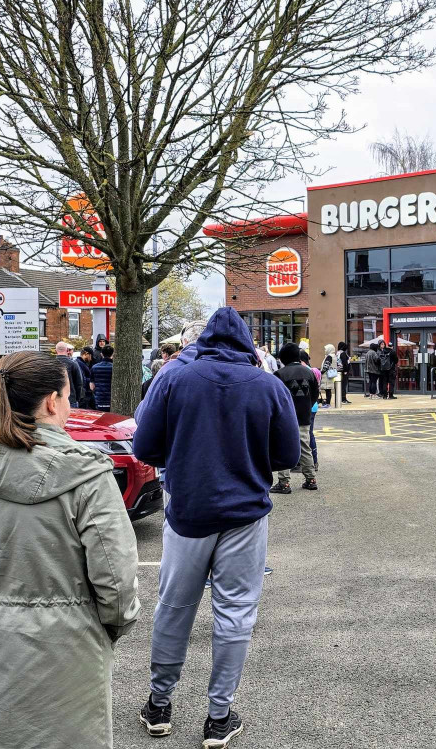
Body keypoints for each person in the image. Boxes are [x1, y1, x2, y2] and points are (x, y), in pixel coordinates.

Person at [0, 351, 140, 749]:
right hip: (61, 650)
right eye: (67, 396)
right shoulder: (86, 475)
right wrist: (106, 627)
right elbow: (116, 584)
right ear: (51, 401)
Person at [133, 308, 300, 746]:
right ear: (245, 340)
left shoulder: (172, 378)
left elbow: (145, 446)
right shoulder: (269, 385)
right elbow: (286, 457)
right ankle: (219, 717)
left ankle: (159, 705)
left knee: (174, 607)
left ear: (203, 338)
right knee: (236, 614)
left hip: (188, 511)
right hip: (245, 514)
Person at [271, 342, 319, 493]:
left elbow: (276, 397)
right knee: (305, 447)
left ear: (283, 357)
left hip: (285, 417)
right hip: (304, 416)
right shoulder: (309, 372)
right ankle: (310, 479)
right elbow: (315, 394)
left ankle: (284, 483)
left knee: (283, 447)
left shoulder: (280, 374)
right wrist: (307, 406)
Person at [300, 350, 322, 469]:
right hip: (313, 405)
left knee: (308, 433)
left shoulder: (306, 372)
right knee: (309, 433)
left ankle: (313, 461)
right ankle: (313, 460)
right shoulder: (314, 371)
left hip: (308, 406)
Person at [55, 340, 83, 408]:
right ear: (67, 350)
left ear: (56, 351)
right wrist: (77, 398)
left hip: (55, 400)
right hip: (71, 399)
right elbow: (79, 383)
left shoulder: (51, 364)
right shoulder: (73, 364)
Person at [91, 345, 115, 411]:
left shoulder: (94, 367)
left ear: (101, 354)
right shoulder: (115, 368)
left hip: (99, 400)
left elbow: (92, 387)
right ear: (112, 354)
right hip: (112, 400)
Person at [319, 343, 337, 407]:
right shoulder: (334, 356)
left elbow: (326, 366)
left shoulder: (329, 356)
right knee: (328, 390)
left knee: (327, 390)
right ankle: (327, 403)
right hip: (331, 375)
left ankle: (327, 403)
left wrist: (320, 372)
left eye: (326, 349)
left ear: (329, 349)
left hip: (326, 375)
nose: (325, 350)